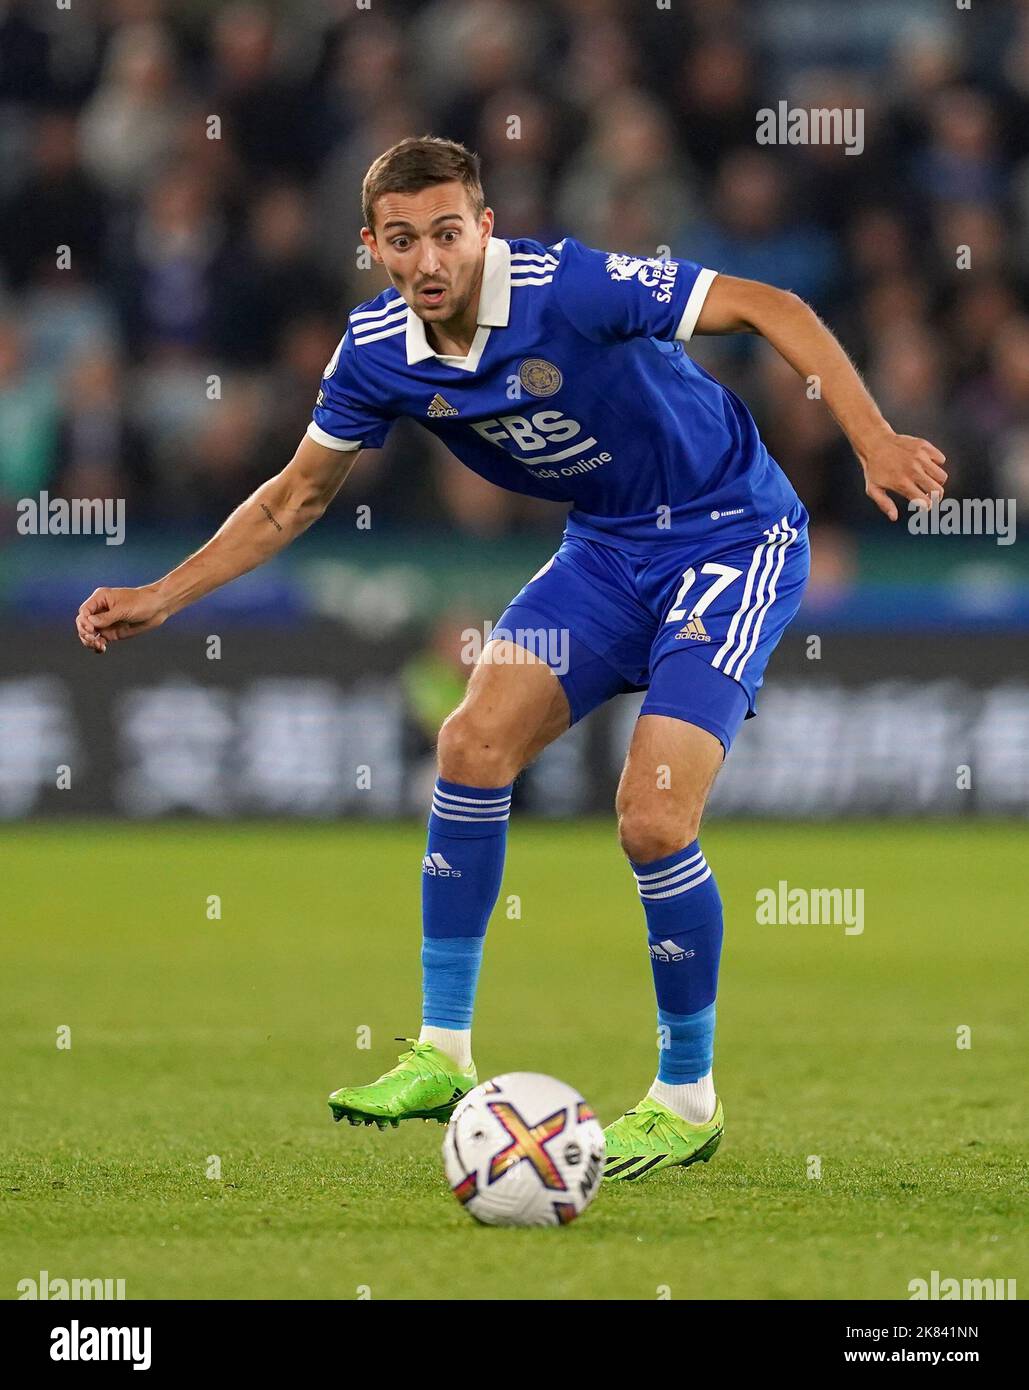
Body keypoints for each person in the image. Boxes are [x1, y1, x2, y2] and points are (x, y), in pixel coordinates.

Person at [76, 137, 947, 1182]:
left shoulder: (567, 285)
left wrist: (874, 439)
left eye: (449, 231)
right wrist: (163, 595)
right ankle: (444, 1051)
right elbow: (293, 497)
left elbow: (771, 307)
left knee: (652, 815)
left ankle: (686, 1097)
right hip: (606, 550)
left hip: (731, 534)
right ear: (374, 249)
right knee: (472, 739)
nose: (430, 257)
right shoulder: (373, 352)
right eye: (403, 239)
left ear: (482, 229)